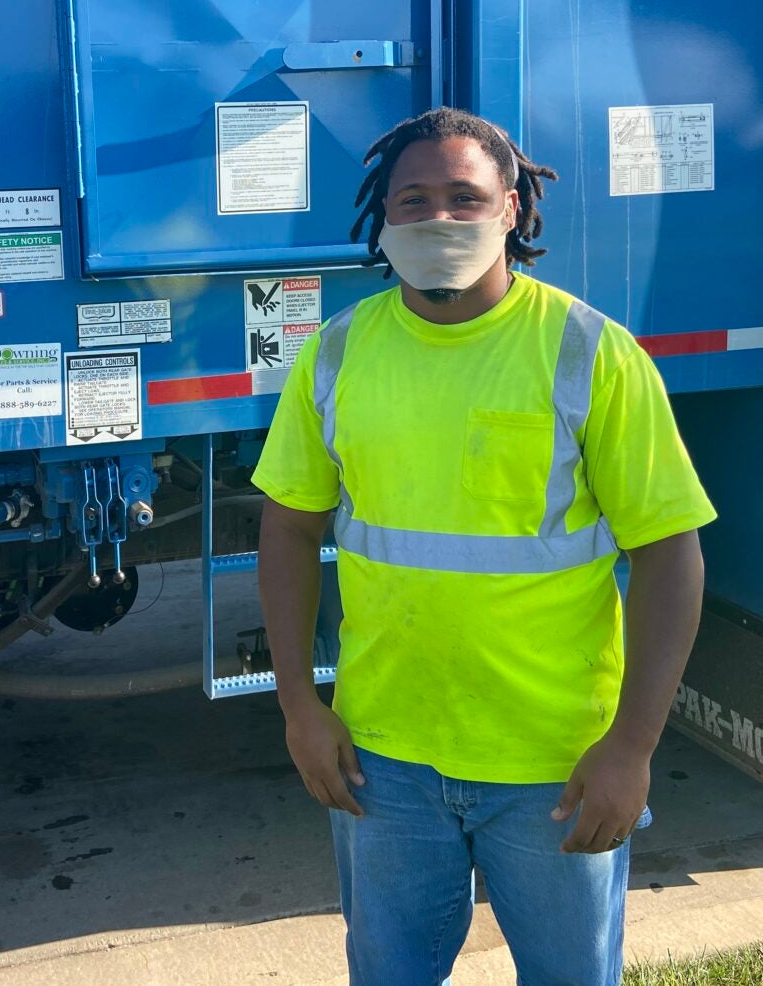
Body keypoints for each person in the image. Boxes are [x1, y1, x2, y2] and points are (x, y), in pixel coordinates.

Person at [252, 107, 713, 986]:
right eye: (413, 200)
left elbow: (670, 553)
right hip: (382, 759)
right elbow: (288, 527)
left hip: (554, 765)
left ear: (511, 208)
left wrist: (631, 749)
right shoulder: (338, 353)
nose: (438, 218)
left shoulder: (590, 352)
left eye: (464, 197)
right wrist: (299, 708)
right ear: (383, 217)